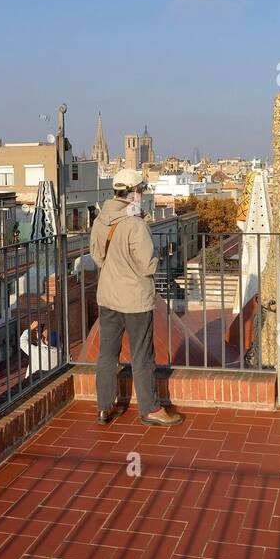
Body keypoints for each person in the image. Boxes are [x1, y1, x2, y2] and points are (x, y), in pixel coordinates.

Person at [89, 167, 184, 427]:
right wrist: (157, 255)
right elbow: (147, 266)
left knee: (107, 354)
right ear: (133, 193)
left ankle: (103, 408)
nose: (142, 194)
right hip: (134, 300)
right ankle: (150, 408)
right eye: (141, 190)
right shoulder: (135, 224)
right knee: (142, 355)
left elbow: (97, 258)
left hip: (108, 297)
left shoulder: (100, 220)